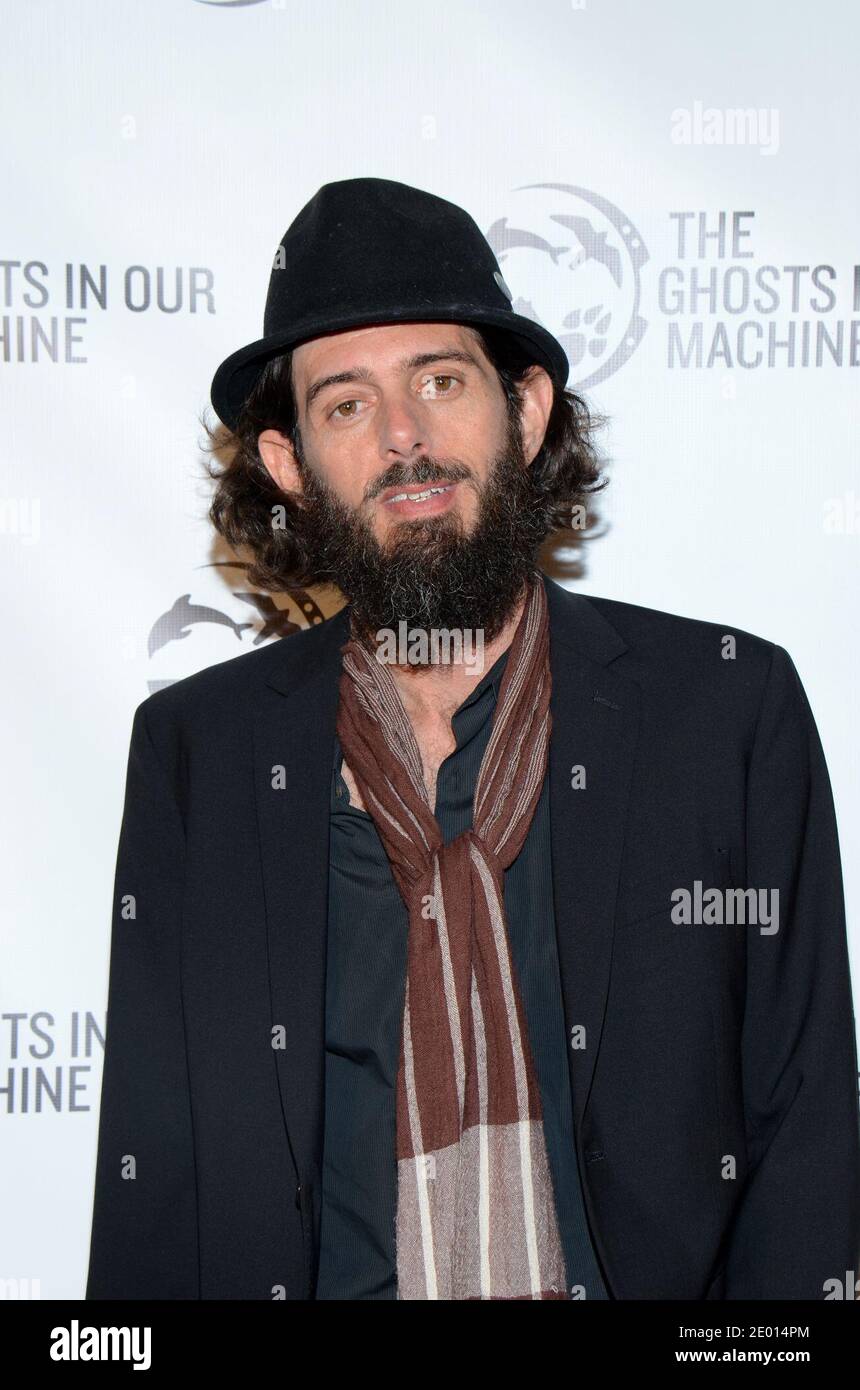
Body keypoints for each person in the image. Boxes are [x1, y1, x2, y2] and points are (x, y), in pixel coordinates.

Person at [85, 177, 860, 1301]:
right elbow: (152, 1179)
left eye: (439, 382)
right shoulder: (197, 756)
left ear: (527, 409)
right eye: (345, 404)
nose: (404, 436)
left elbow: (803, 1130)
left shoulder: (722, 712)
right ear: (289, 465)